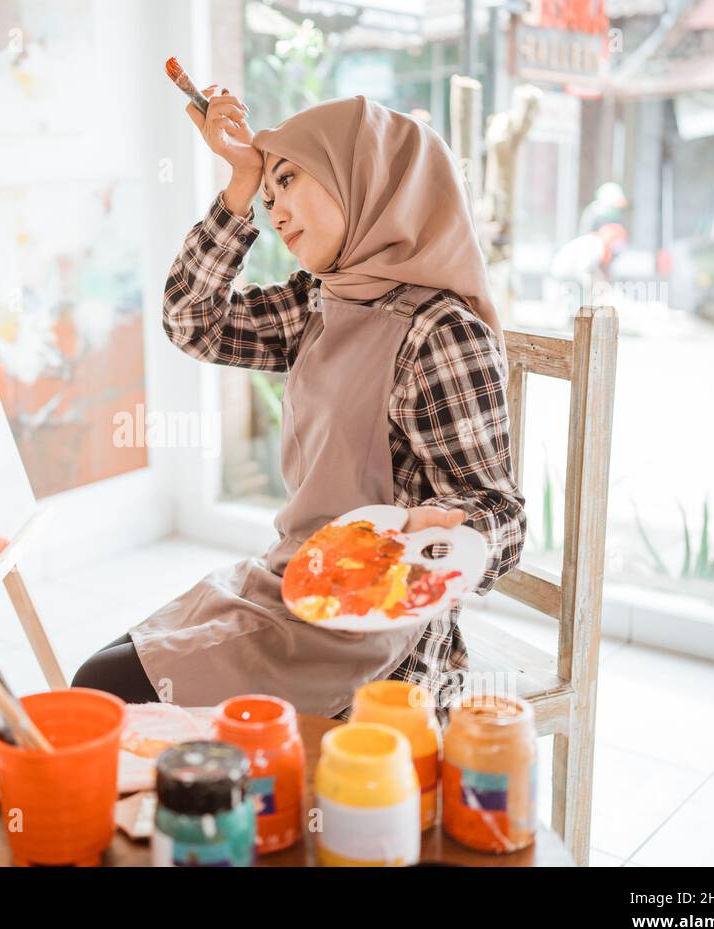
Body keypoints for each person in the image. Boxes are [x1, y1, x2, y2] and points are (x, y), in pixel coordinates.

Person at [72, 89, 526, 725]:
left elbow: (500, 515)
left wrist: (452, 535)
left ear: (363, 175)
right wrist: (239, 184)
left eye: (287, 182)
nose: (277, 214)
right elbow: (192, 322)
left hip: (375, 635)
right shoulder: (319, 300)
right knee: (104, 669)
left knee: (101, 688)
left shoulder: (439, 332)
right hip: (288, 585)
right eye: (269, 197)